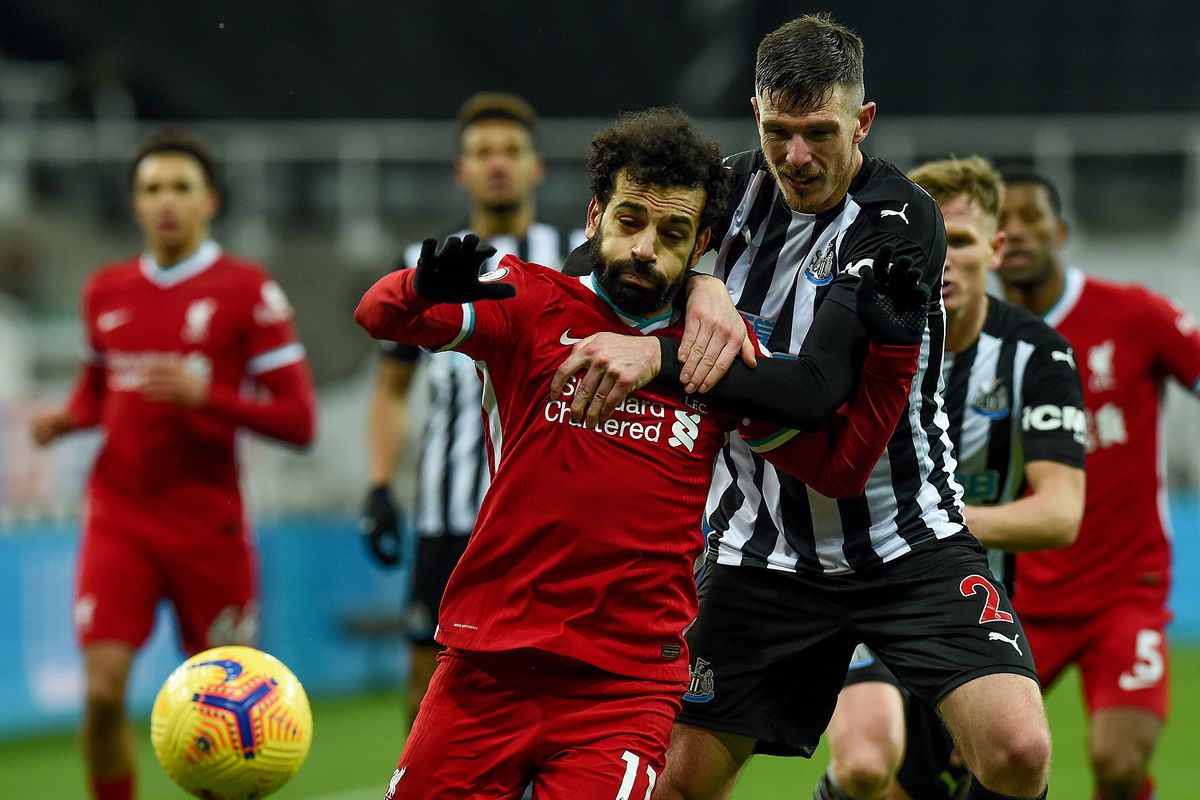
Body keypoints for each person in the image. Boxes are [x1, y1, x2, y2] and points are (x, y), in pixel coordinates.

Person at [355, 107, 930, 799]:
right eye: (630, 220)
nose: (644, 247)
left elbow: (837, 470)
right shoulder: (530, 302)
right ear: (597, 214)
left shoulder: (716, 354)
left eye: (673, 232)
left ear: (701, 245)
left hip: (622, 689)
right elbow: (380, 317)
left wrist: (894, 356)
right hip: (488, 664)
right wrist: (419, 286)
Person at [555, 16, 1052, 800]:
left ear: (863, 121)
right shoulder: (723, 193)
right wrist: (698, 280)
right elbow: (609, 261)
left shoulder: (901, 219)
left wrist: (665, 352)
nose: (796, 157)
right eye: (778, 130)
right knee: (672, 782)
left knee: (1019, 750)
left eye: (819, 132)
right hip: (763, 554)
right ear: (755, 110)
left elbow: (819, 390)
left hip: (906, 542)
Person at [29, 129, 317, 800]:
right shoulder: (106, 290)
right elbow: (99, 394)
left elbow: (300, 423)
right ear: (134, 204)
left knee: (234, 720)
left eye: (180, 188)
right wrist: (64, 421)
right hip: (119, 516)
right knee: (101, 695)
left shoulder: (247, 291)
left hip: (208, 524)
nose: (166, 202)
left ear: (209, 201)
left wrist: (208, 396)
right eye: (152, 189)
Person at [818, 157, 1087, 800]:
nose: (941, 261)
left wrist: (928, 520)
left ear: (994, 249)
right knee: (863, 762)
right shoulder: (855, 336)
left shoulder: (1036, 353)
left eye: (959, 241)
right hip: (860, 583)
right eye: (925, 243)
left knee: (996, 763)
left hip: (960, 601)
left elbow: (1059, 514)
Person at [360, 91, 580, 725]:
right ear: (461, 170)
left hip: (551, 512)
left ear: (537, 166)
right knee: (426, 696)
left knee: (555, 693)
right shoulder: (421, 267)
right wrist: (379, 486)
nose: (498, 164)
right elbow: (392, 388)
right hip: (449, 513)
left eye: (511, 151)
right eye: (482, 152)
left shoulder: (576, 258)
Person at [997, 171, 1200, 800]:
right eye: (1003, 221)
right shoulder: (974, 336)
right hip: (1016, 594)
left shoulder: (1134, 315)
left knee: (1117, 763)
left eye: (1032, 218)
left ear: (1060, 233)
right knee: (971, 763)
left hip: (1125, 592)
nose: (1018, 232)